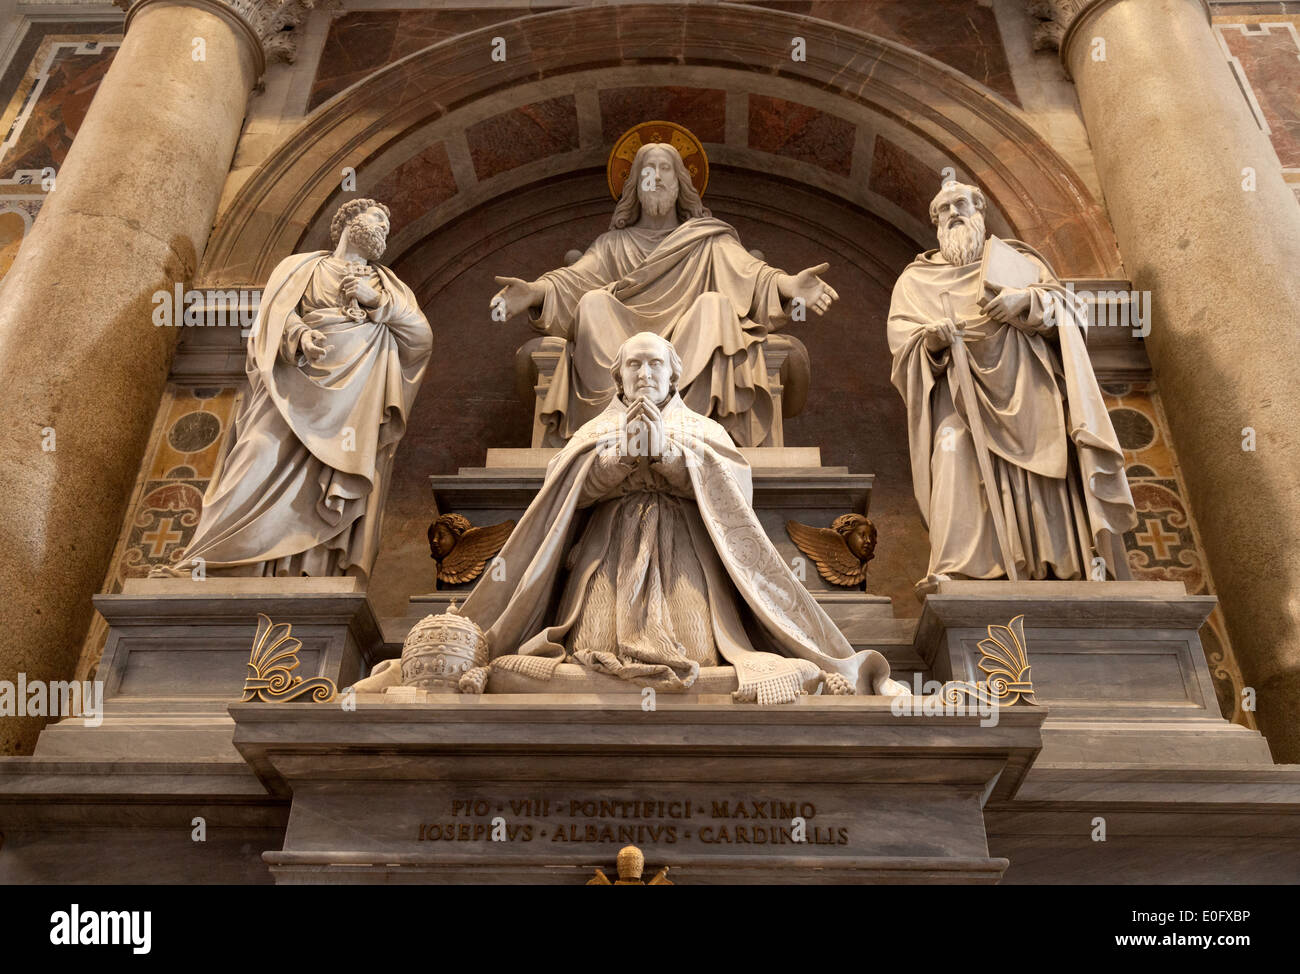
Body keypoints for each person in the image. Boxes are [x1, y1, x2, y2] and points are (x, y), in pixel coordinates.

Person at [457, 331, 906, 703]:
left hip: (686, 552)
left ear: (673, 374)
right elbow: (563, 495)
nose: (645, 373)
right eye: (633, 365)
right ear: (619, 378)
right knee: (591, 646)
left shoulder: (704, 429)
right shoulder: (593, 430)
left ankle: (769, 674)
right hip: (606, 551)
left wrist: (670, 455)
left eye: (654, 364)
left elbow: (735, 493)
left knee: (695, 650)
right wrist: (621, 459)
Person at [491, 142, 837, 447]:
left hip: (691, 339)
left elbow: (750, 273)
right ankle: (613, 421)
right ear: (635, 184)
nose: (655, 176)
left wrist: (790, 286)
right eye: (646, 169)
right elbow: (574, 280)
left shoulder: (709, 239)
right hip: (622, 343)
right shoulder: (613, 244)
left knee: (715, 303)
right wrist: (534, 293)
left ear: (680, 182)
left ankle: (684, 417)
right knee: (594, 302)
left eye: (664, 168)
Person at [156, 198, 432, 579]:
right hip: (291, 386)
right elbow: (273, 317)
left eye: (387, 225)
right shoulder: (300, 267)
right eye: (377, 218)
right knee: (256, 452)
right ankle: (209, 559)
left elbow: (420, 339)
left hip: (353, 403)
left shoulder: (389, 286)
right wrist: (298, 336)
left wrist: (377, 303)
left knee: (327, 477)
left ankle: (306, 572)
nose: (384, 229)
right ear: (349, 220)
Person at [888, 182, 1136, 592]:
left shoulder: (1016, 262)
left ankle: (1059, 563)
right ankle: (962, 566)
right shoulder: (916, 282)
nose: (954, 213)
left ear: (980, 212)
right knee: (951, 448)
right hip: (958, 390)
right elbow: (902, 342)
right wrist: (930, 339)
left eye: (961, 204)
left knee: (1048, 460)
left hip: (1027, 385)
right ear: (934, 224)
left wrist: (1025, 301)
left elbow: (1070, 310)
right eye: (944, 209)